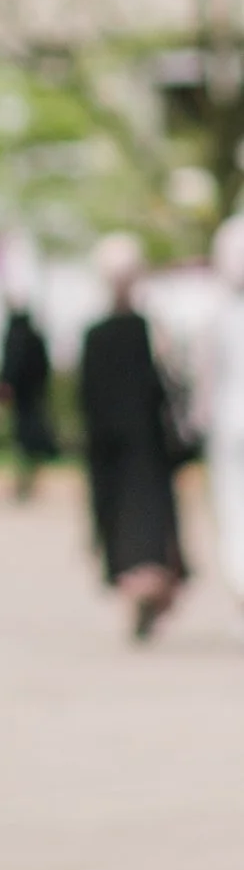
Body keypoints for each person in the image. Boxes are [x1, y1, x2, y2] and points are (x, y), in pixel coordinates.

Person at [78, 236, 187, 640]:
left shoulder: (99, 334)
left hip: (117, 448)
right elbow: (172, 388)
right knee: (151, 522)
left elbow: (87, 399)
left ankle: (138, 585)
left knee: (125, 522)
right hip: (146, 445)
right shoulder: (150, 330)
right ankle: (151, 584)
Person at [199, 216, 244, 608]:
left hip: (230, 422)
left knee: (234, 507)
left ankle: (240, 576)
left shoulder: (218, 314)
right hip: (230, 421)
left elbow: (206, 379)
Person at [0, 288, 58, 501]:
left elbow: (10, 368)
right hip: (32, 396)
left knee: (23, 442)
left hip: (24, 398)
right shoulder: (34, 336)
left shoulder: (14, 336)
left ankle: (24, 481)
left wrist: (5, 385)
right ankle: (27, 480)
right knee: (29, 441)